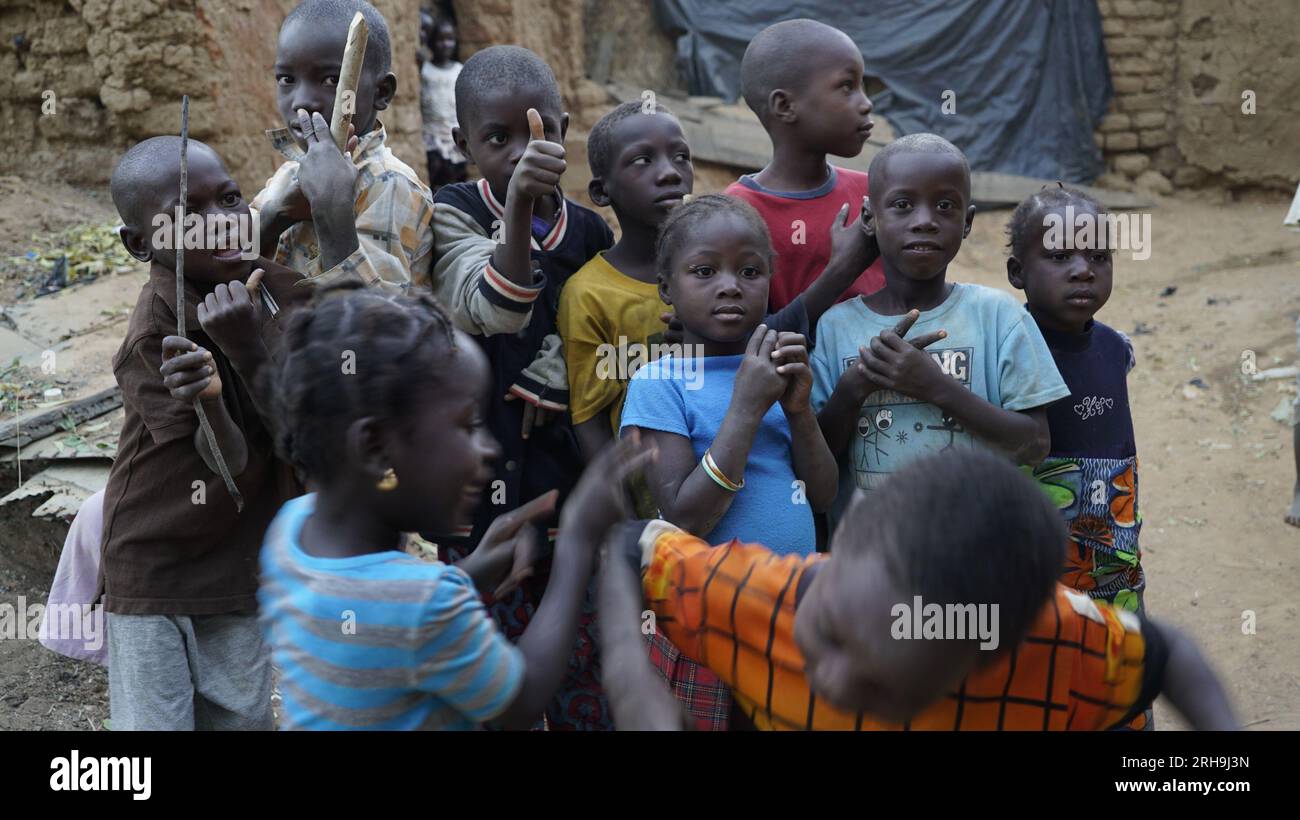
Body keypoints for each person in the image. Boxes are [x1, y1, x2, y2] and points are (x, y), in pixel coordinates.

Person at [599, 449, 1238, 731]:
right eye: (826, 630)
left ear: (988, 654)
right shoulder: (762, 599)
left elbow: (1167, 656)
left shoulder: (1052, 644)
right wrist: (630, 678)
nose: (832, 681)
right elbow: (627, 546)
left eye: (884, 688)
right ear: (841, 538)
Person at [258, 281, 655, 728]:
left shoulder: (291, 529)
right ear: (375, 447)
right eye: (469, 425)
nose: (488, 449)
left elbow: (382, 618)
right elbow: (520, 703)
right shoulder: (424, 603)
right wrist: (577, 542)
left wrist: (472, 571)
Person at [100, 134, 318, 729]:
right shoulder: (157, 336)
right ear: (140, 243)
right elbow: (227, 464)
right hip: (155, 562)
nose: (219, 223)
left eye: (229, 200)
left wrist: (248, 348)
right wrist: (210, 398)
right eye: (188, 214)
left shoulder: (282, 295)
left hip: (241, 560)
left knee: (241, 718)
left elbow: (308, 437)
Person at [432, 44, 615, 729]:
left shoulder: (591, 232)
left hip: (563, 480)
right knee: (487, 677)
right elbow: (492, 300)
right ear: (462, 143)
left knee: (577, 665)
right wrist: (515, 207)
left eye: (537, 132)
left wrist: (564, 374)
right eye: (496, 138)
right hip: (476, 493)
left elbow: (600, 340)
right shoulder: (452, 211)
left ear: (564, 133)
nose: (517, 151)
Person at [620, 194, 838, 729]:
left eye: (749, 271)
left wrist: (800, 411)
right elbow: (684, 519)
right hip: (706, 619)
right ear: (666, 287)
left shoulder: (784, 369)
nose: (730, 285)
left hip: (792, 613)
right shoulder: (660, 381)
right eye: (704, 270)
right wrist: (745, 406)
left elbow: (823, 496)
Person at [812, 134, 1071, 527]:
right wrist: (851, 390)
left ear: (966, 222)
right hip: (871, 562)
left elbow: (1034, 445)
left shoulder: (998, 316)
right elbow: (816, 467)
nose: (924, 221)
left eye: (945, 206)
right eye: (902, 205)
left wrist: (935, 387)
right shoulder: (835, 328)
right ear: (870, 218)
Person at [252, 0, 435, 293]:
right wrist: (278, 215)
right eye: (287, 79)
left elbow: (375, 320)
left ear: (381, 92)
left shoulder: (389, 185)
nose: (301, 101)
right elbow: (230, 259)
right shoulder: (287, 176)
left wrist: (331, 207)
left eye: (331, 80)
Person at [725, 19, 884, 313]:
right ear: (785, 106)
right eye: (847, 86)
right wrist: (845, 267)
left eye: (862, 86)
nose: (866, 104)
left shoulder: (874, 191)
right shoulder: (737, 213)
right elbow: (751, 335)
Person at [419, 14, 467, 190]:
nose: (445, 44)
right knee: (435, 176)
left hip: (453, 134)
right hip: (432, 135)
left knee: (457, 176)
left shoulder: (459, 70)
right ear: (431, 43)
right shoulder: (425, 69)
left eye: (450, 39)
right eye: (440, 40)